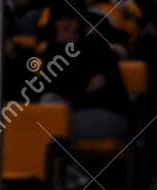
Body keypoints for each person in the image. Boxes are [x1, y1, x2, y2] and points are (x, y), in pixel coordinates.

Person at [38, 7, 128, 139]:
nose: (65, 24)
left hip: (107, 114)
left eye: (71, 19)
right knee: (49, 104)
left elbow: (101, 93)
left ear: (80, 20)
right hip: (74, 111)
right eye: (60, 19)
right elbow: (50, 89)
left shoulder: (97, 46)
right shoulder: (53, 50)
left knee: (53, 125)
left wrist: (76, 92)